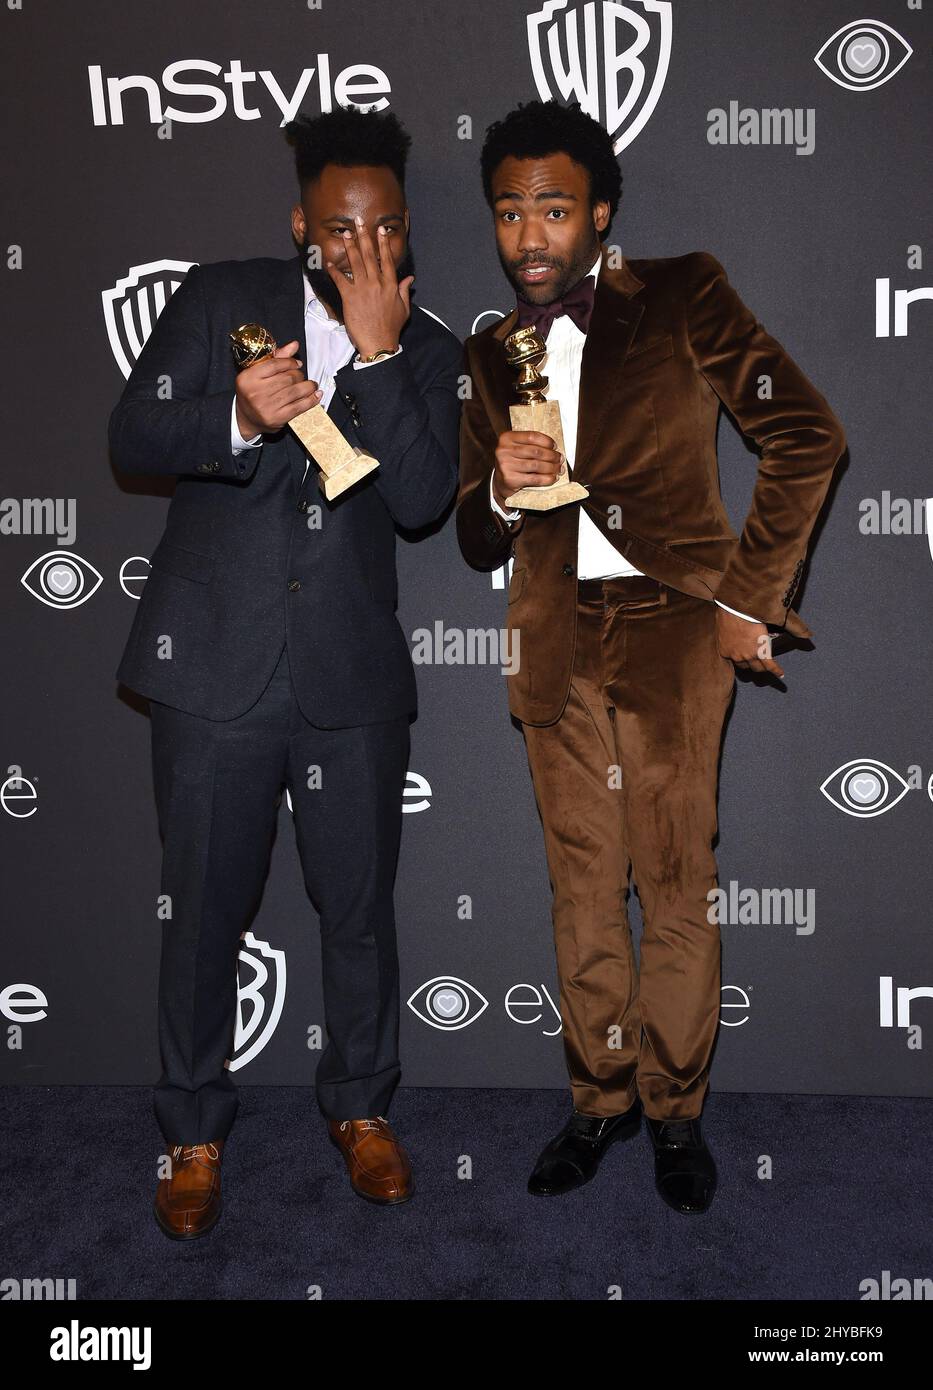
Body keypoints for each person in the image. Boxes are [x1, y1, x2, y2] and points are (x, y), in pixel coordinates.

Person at [456, 99, 846, 1214]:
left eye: (555, 207)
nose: (530, 234)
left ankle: (675, 1111)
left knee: (675, 884)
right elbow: (475, 531)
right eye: (509, 211)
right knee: (582, 889)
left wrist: (749, 595)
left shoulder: (681, 293)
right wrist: (499, 485)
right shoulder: (490, 352)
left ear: (601, 213)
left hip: (674, 631)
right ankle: (600, 1097)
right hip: (551, 638)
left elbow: (805, 433)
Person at [110, 106, 461, 1238]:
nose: (361, 249)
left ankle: (362, 1111)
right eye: (339, 228)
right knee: (204, 914)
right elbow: (133, 436)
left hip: (348, 679)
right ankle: (193, 1133)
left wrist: (376, 353)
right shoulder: (221, 299)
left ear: (405, 231)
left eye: (384, 228)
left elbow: (415, 503)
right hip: (217, 670)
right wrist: (238, 416)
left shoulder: (431, 348)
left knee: (356, 912)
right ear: (300, 222)